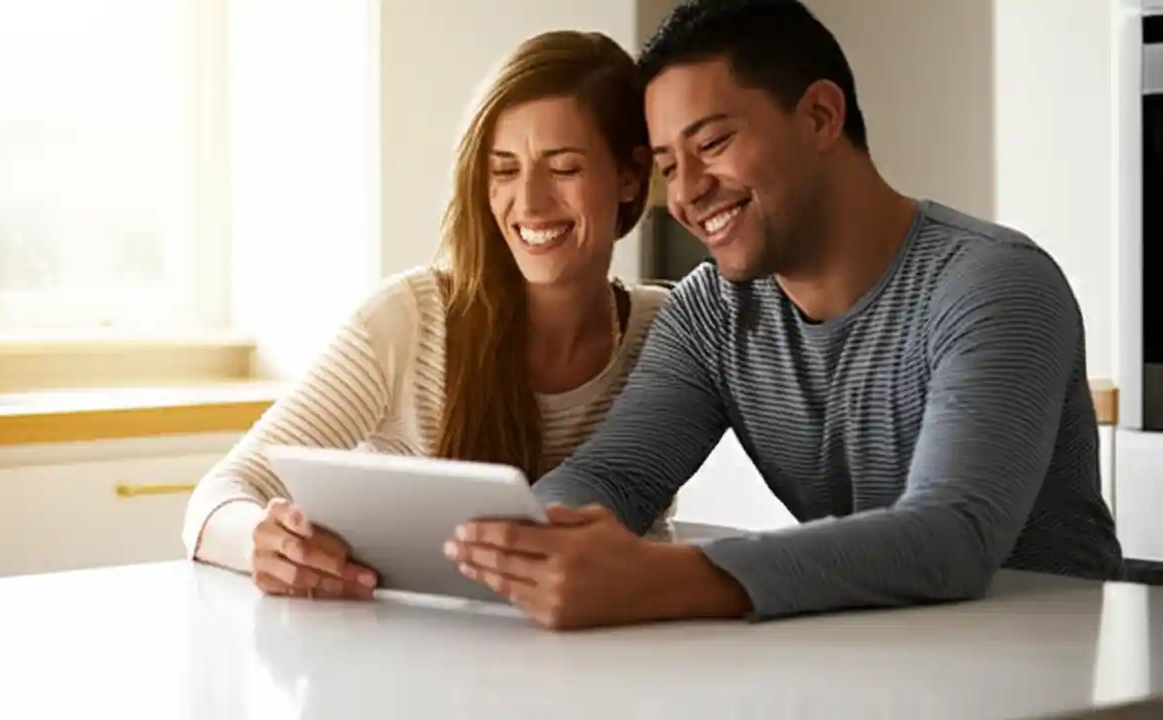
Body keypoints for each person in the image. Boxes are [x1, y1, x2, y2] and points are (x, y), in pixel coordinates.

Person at [445, 0, 1124, 629]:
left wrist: (657, 579)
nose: (687, 193)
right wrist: (488, 547)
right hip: (876, 659)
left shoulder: (992, 284)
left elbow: (953, 537)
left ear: (821, 116)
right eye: (666, 165)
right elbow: (614, 477)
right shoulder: (711, 312)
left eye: (711, 145)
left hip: (1056, 665)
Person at [181, 30, 670, 600]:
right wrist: (261, 543)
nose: (530, 202)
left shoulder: (665, 332)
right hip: (412, 652)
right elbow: (222, 492)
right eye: (505, 170)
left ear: (632, 175)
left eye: (563, 168)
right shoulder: (409, 321)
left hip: (607, 658)